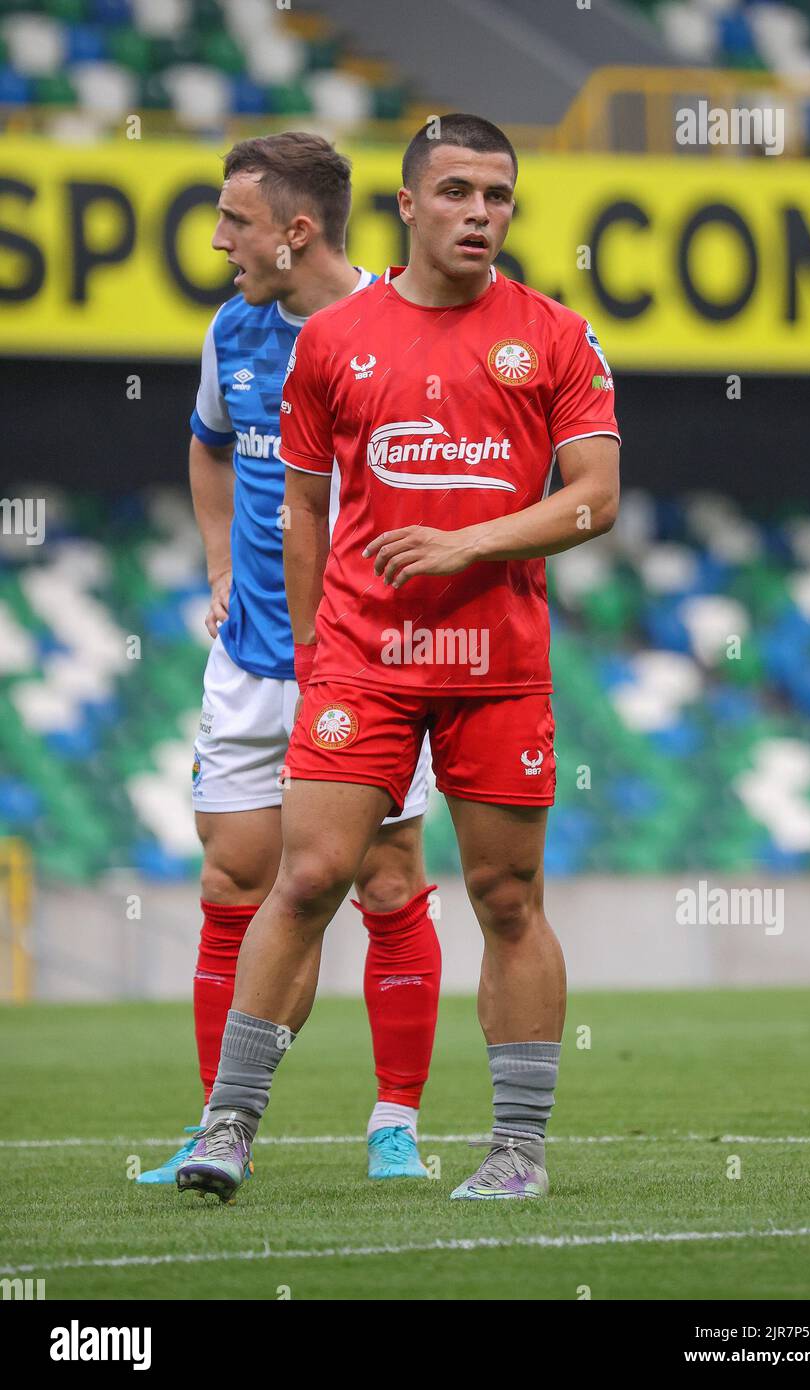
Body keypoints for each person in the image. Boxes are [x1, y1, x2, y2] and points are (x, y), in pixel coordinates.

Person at [178, 113, 620, 1204]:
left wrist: (467, 541)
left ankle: (513, 1150)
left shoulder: (556, 336)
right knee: (308, 876)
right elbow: (303, 504)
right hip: (363, 662)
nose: (481, 213)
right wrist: (322, 639)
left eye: (499, 196)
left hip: (495, 660)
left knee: (503, 895)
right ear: (407, 205)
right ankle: (227, 1127)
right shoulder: (329, 342)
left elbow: (594, 500)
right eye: (460, 192)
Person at [137, 132, 441, 1187]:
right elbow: (208, 444)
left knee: (387, 883)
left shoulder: (406, 334)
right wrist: (219, 564)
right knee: (233, 880)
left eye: (234, 221)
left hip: (367, 665)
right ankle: (216, 1125)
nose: (219, 240)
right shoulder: (235, 330)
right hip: (254, 660)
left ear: (294, 230)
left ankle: (393, 1121)